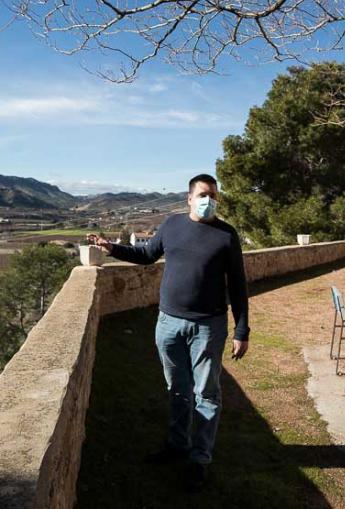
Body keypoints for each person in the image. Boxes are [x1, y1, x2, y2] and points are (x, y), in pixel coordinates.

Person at [87, 173, 249, 490]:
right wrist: (112, 248)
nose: (209, 201)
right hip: (168, 323)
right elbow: (147, 255)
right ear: (189, 198)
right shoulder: (171, 225)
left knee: (206, 394)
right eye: (204, 195)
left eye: (214, 196)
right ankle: (178, 445)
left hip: (208, 325)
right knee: (177, 390)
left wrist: (242, 330)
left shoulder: (226, 235)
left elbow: (239, 286)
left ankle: (200, 458)